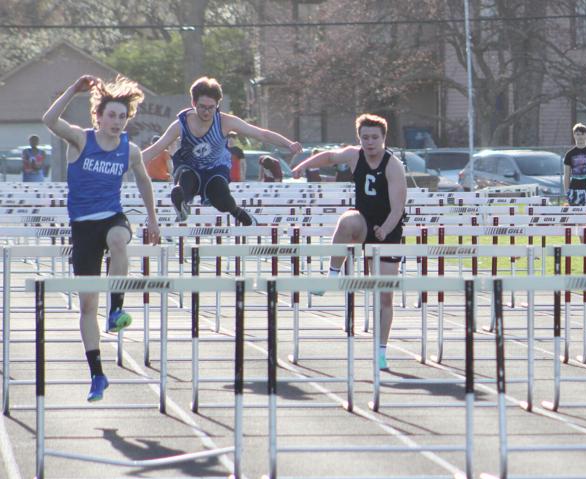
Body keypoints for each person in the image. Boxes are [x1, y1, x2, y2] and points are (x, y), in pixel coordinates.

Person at [42, 74, 160, 402]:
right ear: (98, 116)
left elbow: (144, 181)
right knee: (86, 306)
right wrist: (72, 89)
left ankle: (117, 308)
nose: (117, 122)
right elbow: (49, 120)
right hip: (83, 228)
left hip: (112, 218)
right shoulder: (81, 140)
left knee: (120, 241)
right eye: (111, 115)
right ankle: (97, 374)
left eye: (123, 117)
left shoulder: (130, 150)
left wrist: (152, 218)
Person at [292, 114, 407, 369]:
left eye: (375, 138)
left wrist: (385, 229)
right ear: (359, 138)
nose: (370, 142)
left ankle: (381, 351)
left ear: (384, 139)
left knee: (384, 297)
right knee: (346, 222)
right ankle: (332, 274)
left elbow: (398, 208)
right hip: (364, 222)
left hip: (388, 230)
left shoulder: (393, 165)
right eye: (365, 137)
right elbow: (330, 158)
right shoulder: (355, 155)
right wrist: (304, 166)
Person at [142, 77, 301, 224]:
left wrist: (288, 144)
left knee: (222, 200)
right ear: (193, 103)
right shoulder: (181, 124)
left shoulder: (226, 122)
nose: (206, 112)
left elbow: (261, 134)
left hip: (215, 170)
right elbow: (156, 148)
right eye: (202, 107)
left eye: (211, 108)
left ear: (217, 105)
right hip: (189, 168)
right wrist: (126, 163)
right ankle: (182, 206)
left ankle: (237, 212)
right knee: (182, 186)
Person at [563, 123, 586, 206]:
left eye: (582, 134)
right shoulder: (569, 154)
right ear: (574, 135)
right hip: (574, 190)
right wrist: (566, 193)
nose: (580, 136)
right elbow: (566, 175)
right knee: (574, 216)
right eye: (577, 134)